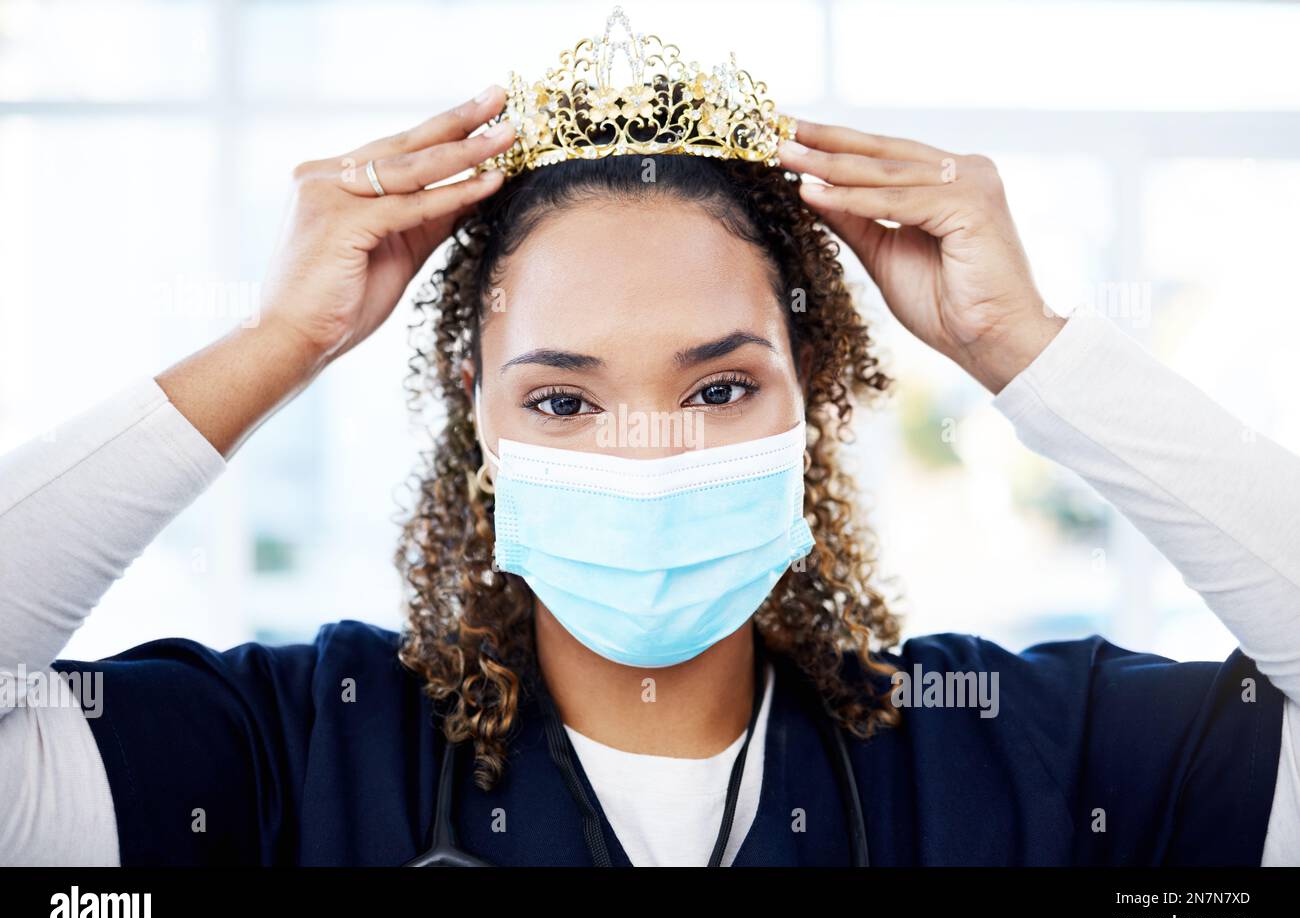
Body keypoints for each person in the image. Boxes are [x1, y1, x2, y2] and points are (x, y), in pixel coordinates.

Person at [1, 11, 1298, 866]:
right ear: (480, 421)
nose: (648, 457)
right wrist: (275, 339)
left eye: (720, 389)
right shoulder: (295, 758)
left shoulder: (1021, 753)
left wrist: (1022, 341)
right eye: (562, 400)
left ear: (814, 392)